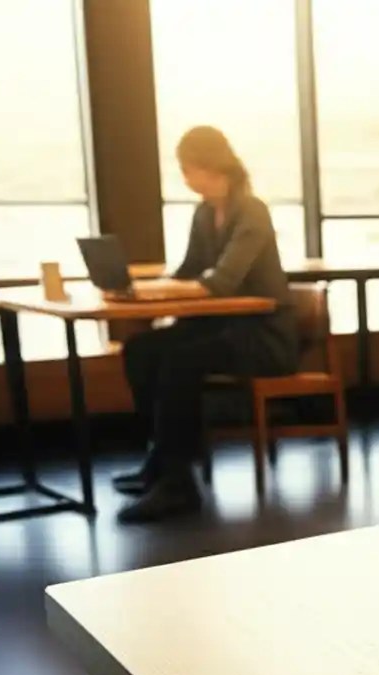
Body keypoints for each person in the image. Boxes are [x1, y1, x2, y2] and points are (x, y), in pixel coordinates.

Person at [114, 126, 299, 523]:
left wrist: (160, 292)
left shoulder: (252, 211)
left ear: (211, 166)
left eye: (187, 168)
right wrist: (148, 290)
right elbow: (189, 271)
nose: (184, 177)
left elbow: (222, 281)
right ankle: (165, 460)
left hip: (263, 335)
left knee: (181, 359)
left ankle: (178, 486)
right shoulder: (203, 214)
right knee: (141, 350)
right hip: (224, 329)